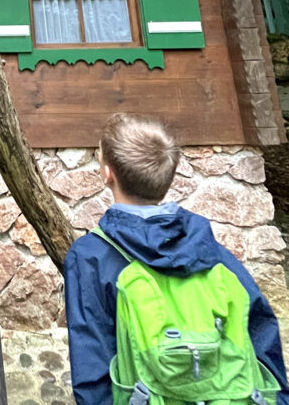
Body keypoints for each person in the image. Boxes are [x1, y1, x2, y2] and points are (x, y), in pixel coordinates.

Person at [64, 112, 289, 404]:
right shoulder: (208, 248)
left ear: (107, 174)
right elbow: (260, 332)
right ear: (169, 176)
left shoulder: (90, 257)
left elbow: (92, 366)